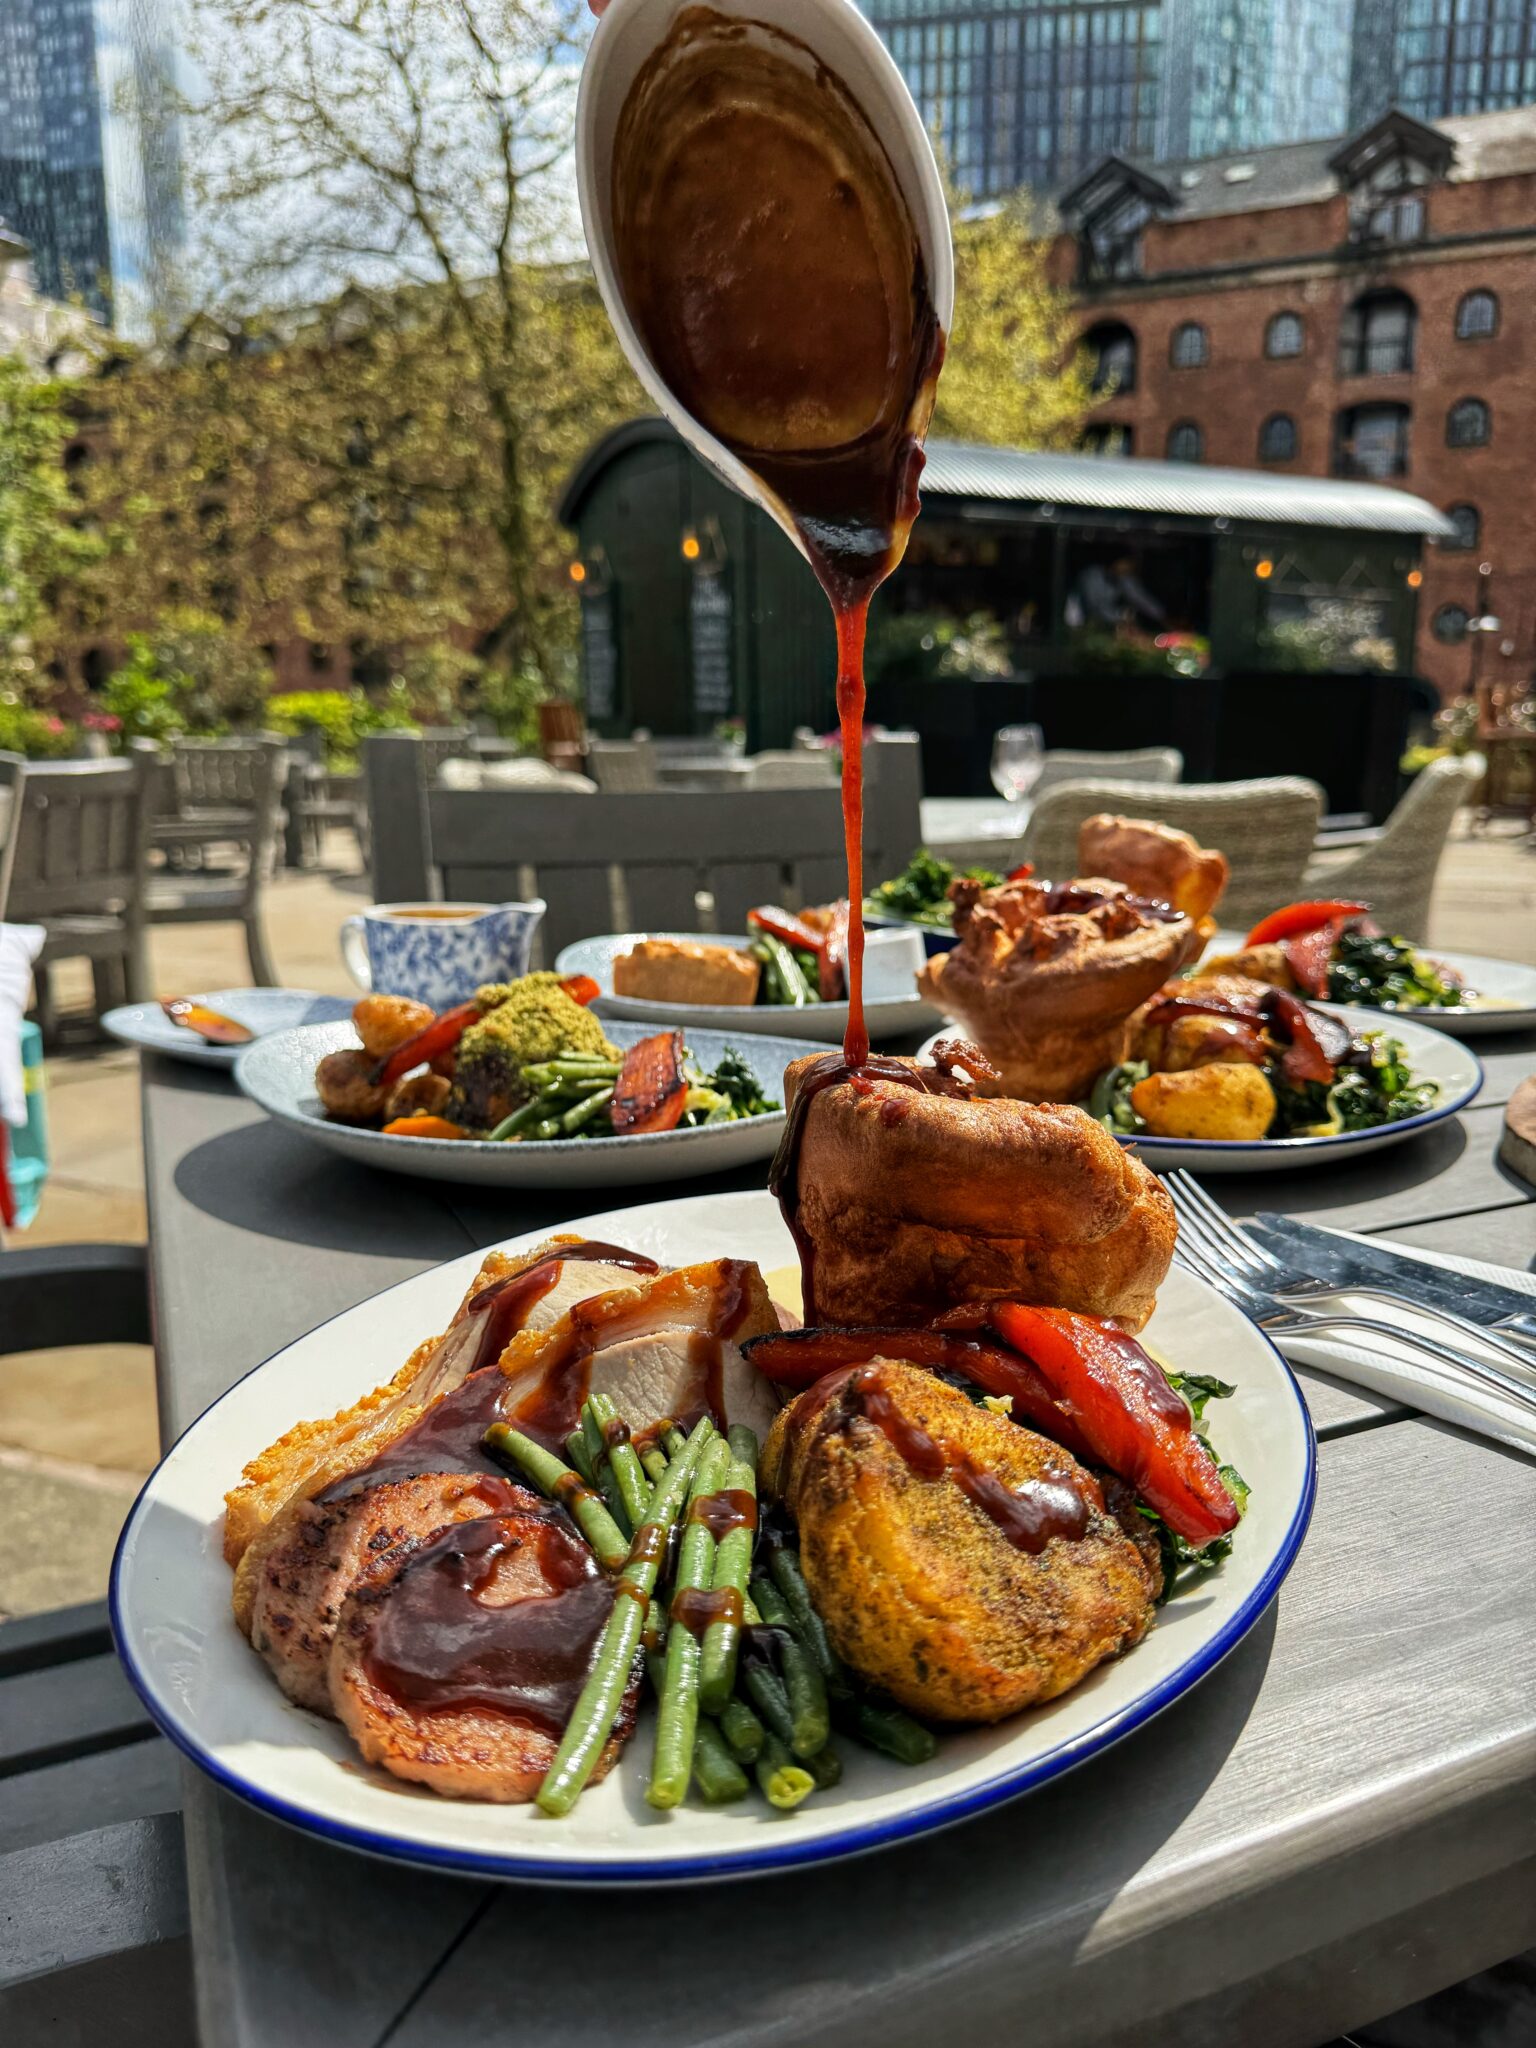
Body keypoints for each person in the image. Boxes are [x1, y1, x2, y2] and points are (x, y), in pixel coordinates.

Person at [1066, 554, 1166, 634]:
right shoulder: (1091, 576)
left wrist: (1162, 616)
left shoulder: (1123, 578)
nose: (1129, 568)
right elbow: (1095, 607)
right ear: (1117, 562)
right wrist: (1120, 618)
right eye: (1126, 564)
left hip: (1104, 623)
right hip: (1078, 621)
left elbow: (1140, 598)